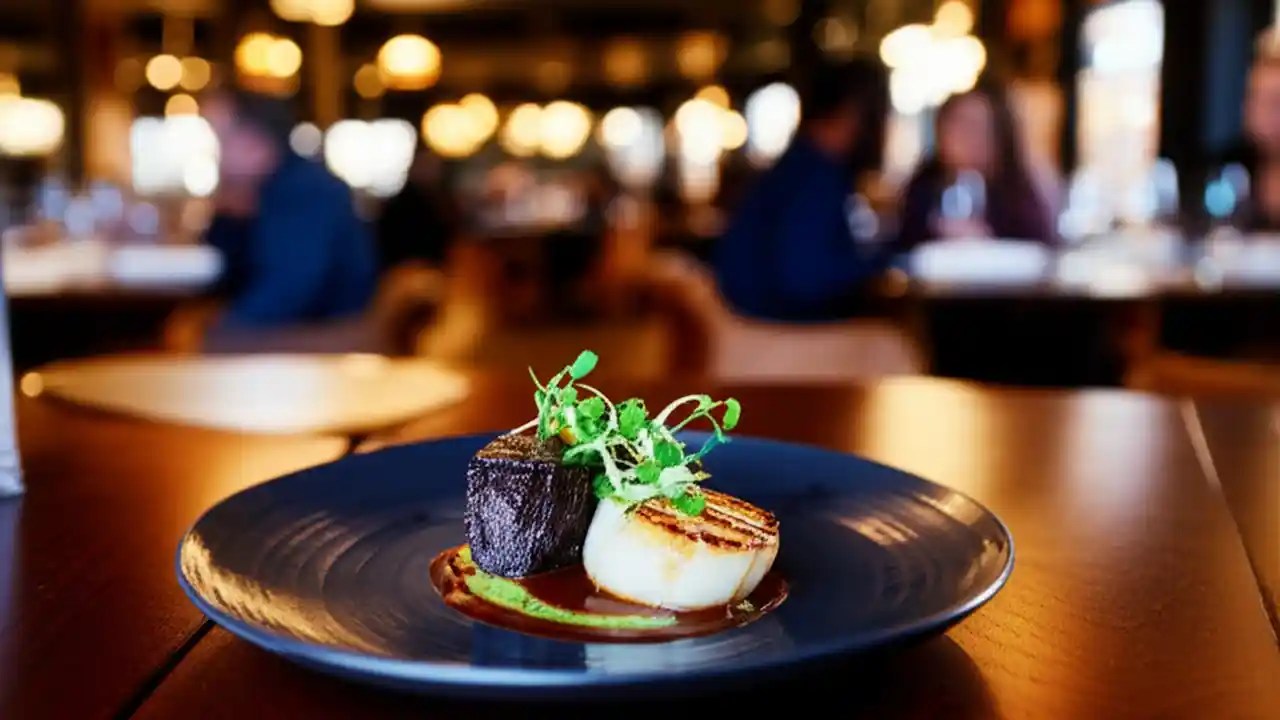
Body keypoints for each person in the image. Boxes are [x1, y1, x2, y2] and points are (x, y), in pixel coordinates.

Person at [714, 57, 891, 322]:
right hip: (775, 336)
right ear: (854, 114)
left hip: (750, 329)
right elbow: (804, 280)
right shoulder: (816, 179)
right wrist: (885, 263)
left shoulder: (795, 169)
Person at [201, 88, 377, 329]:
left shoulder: (303, 191)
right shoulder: (272, 188)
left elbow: (289, 290)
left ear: (256, 141)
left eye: (221, 139)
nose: (215, 155)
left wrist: (218, 331)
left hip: (323, 341)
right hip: (301, 333)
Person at [893, 84, 1057, 251]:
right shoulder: (923, 187)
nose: (969, 137)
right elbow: (902, 250)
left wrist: (987, 242)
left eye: (979, 127)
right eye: (960, 124)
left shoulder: (1017, 195)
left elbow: (1039, 251)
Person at [375, 145, 456, 271]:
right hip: (405, 269)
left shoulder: (438, 201)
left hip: (430, 268)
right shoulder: (401, 204)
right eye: (426, 165)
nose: (431, 171)